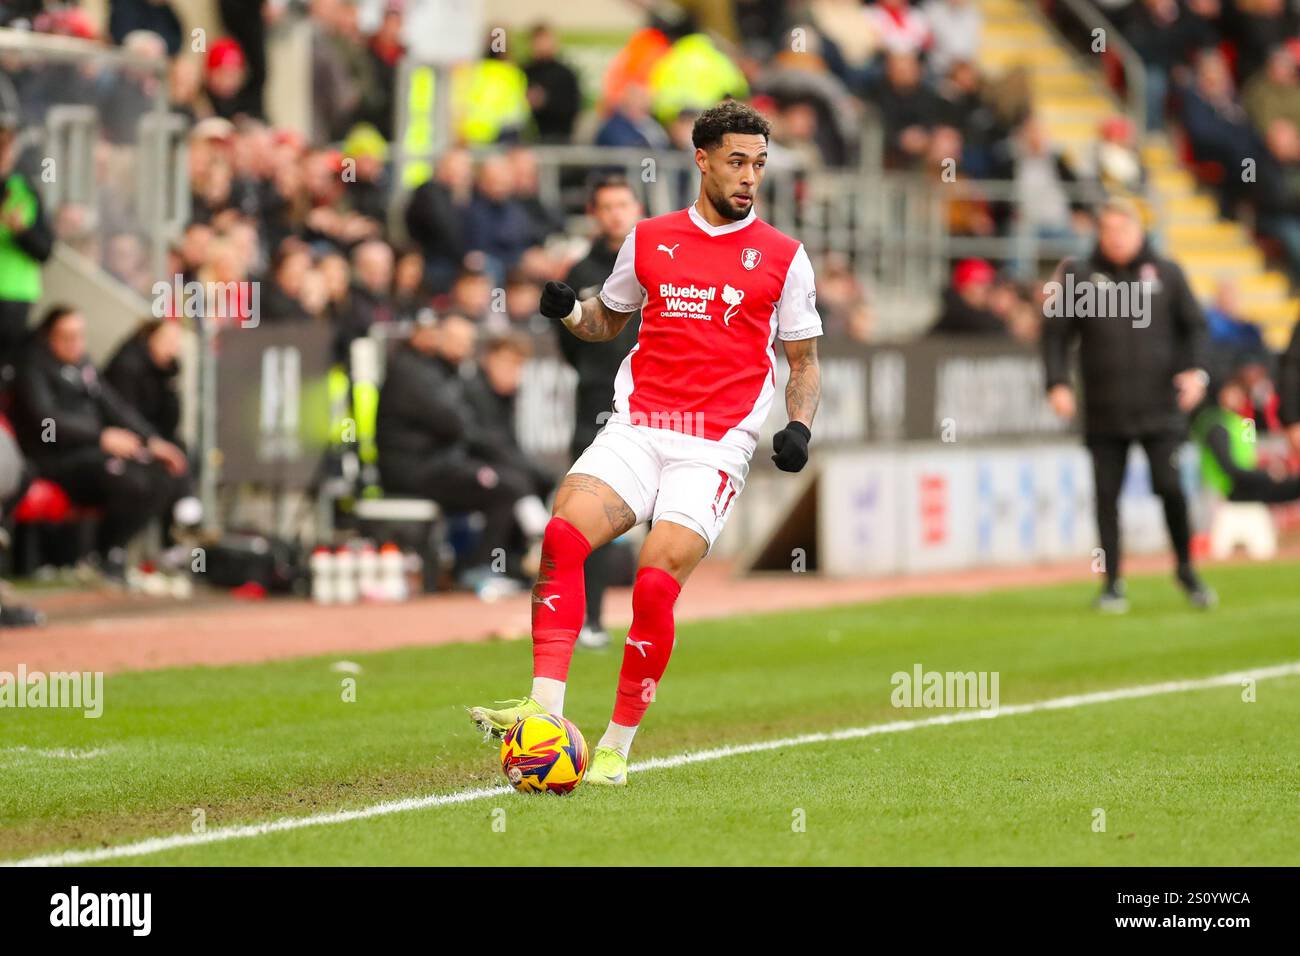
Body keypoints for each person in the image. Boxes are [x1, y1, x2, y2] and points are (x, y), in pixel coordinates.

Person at [470, 101, 823, 785]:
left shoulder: (785, 257)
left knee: (654, 584)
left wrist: (799, 426)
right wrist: (570, 309)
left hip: (712, 446)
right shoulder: (651, 238)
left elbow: (804, 361)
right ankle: (543, 711)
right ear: (702, 160)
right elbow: (608, 318)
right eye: (736, 162)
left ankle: (617, 747)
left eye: (759, 164)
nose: (749, 177)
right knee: (564, 535)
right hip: (636, 426)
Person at [1042, 198, 1214, 612]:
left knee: (1171, 487)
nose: (1117, 238)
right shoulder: (1080, 277)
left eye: (1125, 230)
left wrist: (1197, 373)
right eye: (1110, 230)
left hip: (1161, 409)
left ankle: (1186, 568)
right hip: (1104, 409)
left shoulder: (1167, 275)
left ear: (1140, 232)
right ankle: (1113, 582)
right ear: (1099, 234)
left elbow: (1197, 330)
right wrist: (1058, 382)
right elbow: (1054, 335)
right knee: (1106, 495)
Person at [12, 307, 189, 581]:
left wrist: (151, 441)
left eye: (79, 336)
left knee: (163, 474)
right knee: (131, 482)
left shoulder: (84, 366)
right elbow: (47, 422)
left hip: (93, 454)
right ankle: (100, 555)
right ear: (49, 337)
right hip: (54, 458)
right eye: (67, 337)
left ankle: (110, 553)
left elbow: (114, 406)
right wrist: (101, 437)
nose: (75, 344)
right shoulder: (33, 367)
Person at [374, 313, 537, 598]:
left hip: (435, 466)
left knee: (509, 480)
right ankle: (477, 570)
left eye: (468, 343)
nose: (464, 349)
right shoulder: (412, 372)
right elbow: (456, 423)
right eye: (455, 340)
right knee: (504, 487)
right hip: (413, 471)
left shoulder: (439, 372)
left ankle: (506, 565)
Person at [554, 176, 645, 649]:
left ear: (637, 206)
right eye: (606, 206)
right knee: (592, 508)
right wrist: (597, 373)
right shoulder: (581, 269)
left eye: (622, 204)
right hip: (597, 404)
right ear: (595, 213)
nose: (614, 213)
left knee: (668, 516)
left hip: (655, 401)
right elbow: (567, 338)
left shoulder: (656, 259)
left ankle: (650, 621)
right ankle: (590, 618)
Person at [0, 83, 54, 379]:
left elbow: (45, 249)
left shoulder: (25, 190)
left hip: (17, 298)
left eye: (8, 144)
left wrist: (21, 230)